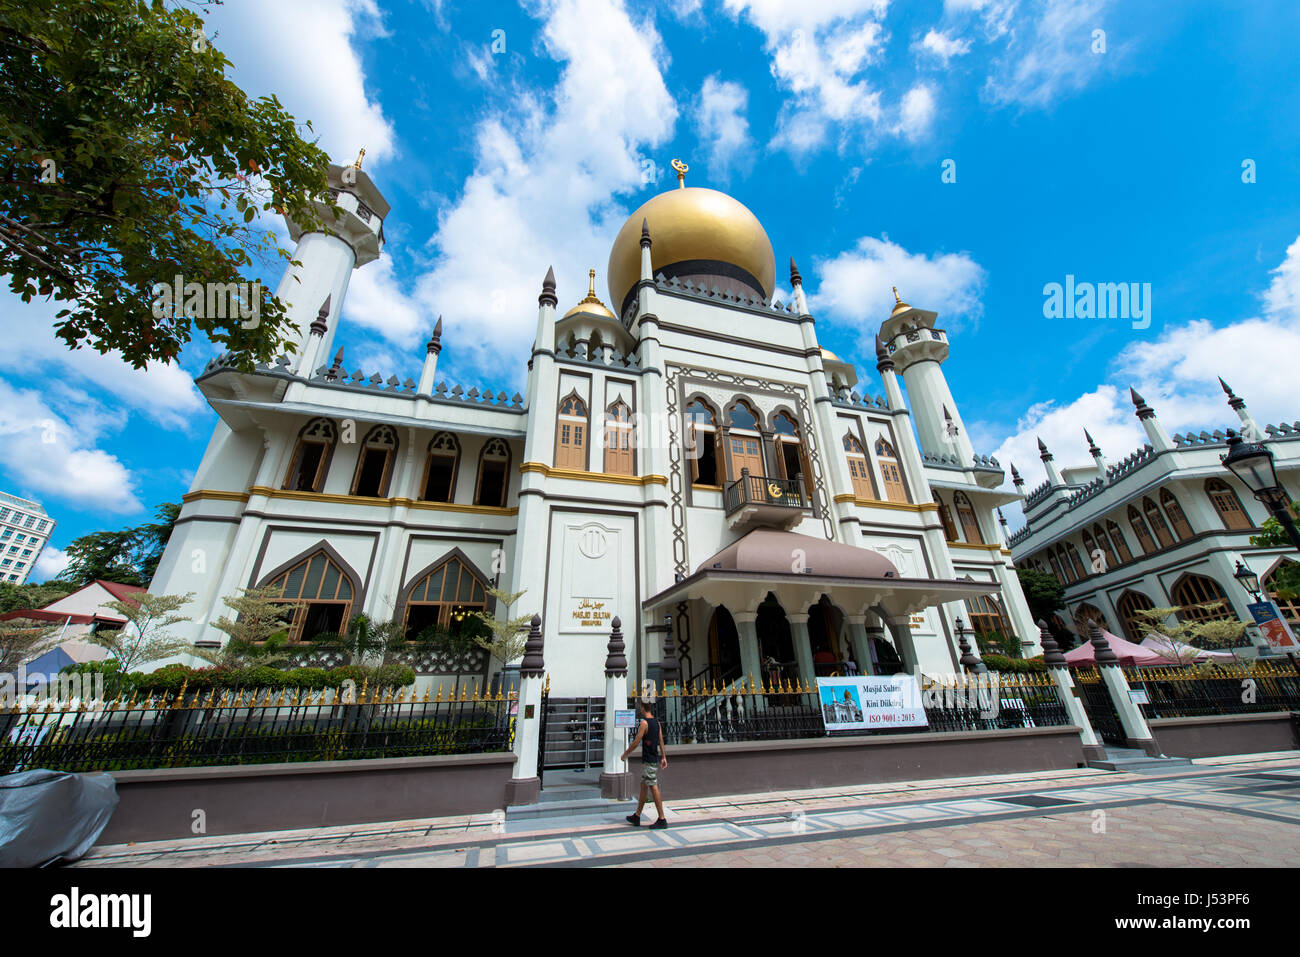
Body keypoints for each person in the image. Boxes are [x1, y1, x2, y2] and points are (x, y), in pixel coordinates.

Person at [621, 698, 668, 828]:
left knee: (653, 787)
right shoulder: (656, 723)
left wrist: (626, 754)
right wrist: (663, 757)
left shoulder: (644, 723)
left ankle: (662, 819)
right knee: (643, 786)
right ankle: (637, 816)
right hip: (653, 759)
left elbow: (636, 741)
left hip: (649, 760)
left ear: (642, 708)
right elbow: (661, 741)